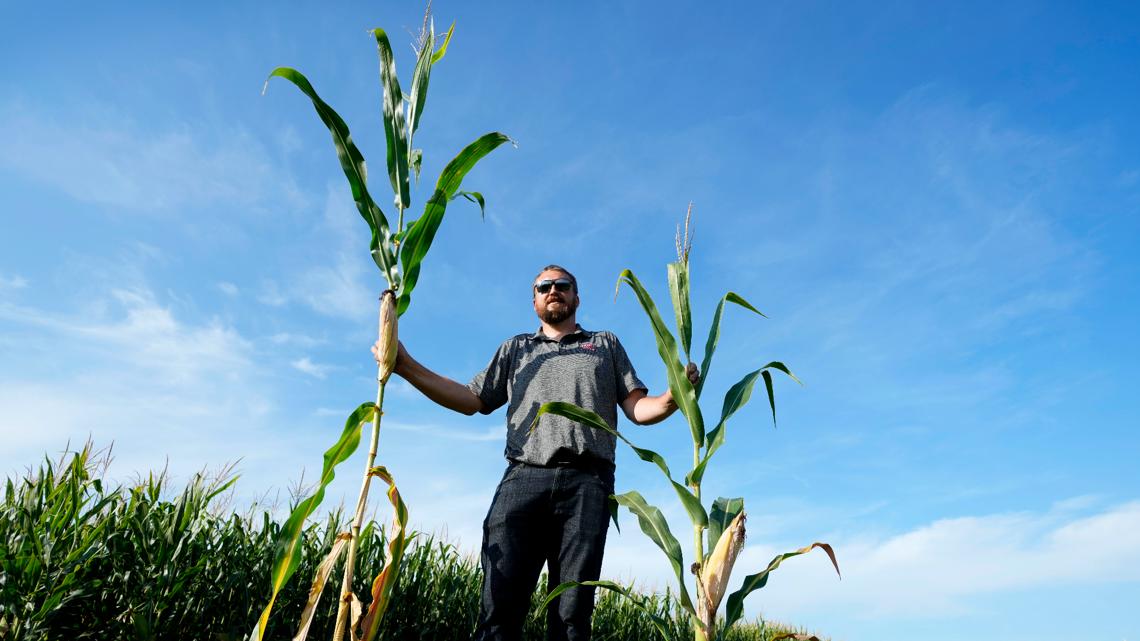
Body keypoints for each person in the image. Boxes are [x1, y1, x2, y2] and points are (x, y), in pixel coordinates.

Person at [373, 264, 698, 641]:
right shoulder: (516, 349)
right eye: (544, 286)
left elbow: (639, 409)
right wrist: (404, 366)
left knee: (572, 616)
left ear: (577, 297)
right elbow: (471, 399)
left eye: (563, 285)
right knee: (499, 606)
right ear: (534, 301)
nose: (553, 290)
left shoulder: (605, 345)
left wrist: (675, 396)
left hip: (587, 483)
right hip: (523, 478)